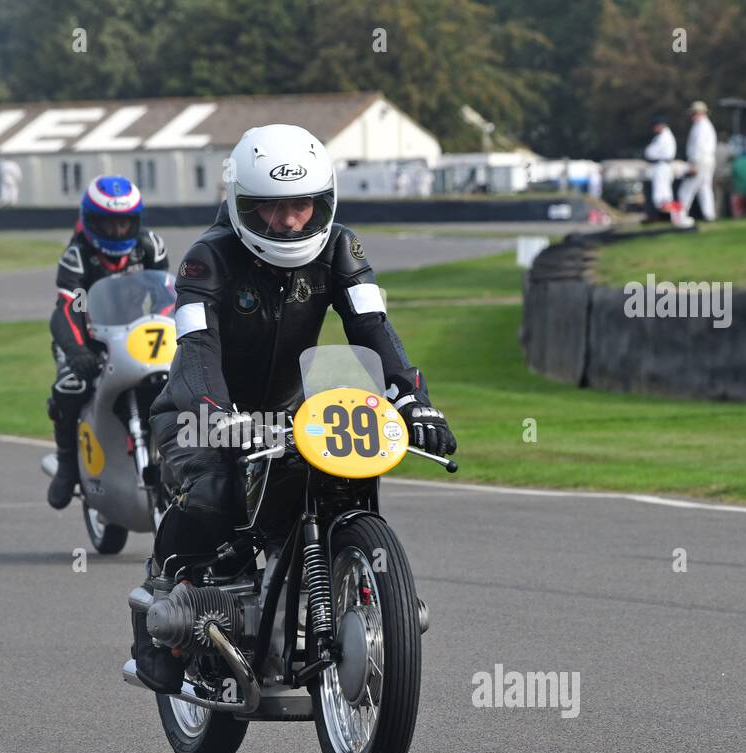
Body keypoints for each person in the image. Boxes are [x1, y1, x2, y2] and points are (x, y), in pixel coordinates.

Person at [130, 125, 456, 693]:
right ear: (241, 206)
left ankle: (355, 587)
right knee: (215, 495)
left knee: (343, 478)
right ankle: (164, 595)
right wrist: (213, 411)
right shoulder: (208, 259)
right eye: (272, 207)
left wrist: (412, 401)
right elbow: (196, 348)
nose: (288, 221)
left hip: (290, 411)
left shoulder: (339, 249)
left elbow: (372, 327)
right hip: (197, 408)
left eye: (302, 205)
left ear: (322, 201)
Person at [45, 175, 169, 509]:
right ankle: (68, 464)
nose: (116, 232)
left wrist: (169, 329)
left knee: (174, 382)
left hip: (135, 333)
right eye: (107, 224)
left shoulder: (150, 247)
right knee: (71, 386)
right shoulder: (77, 257)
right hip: (88, 338)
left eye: (124, 224)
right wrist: (77, 350)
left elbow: (167, 296)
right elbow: (67, 309)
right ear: (89, 220)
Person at [676, 101, 717, 225]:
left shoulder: (701, 126)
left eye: (694, 113)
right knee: (704, 188)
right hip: (707, 161)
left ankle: (680, 216)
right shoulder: (705, 125)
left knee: (686, 189)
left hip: (700, 161)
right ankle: (709, 215)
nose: (692, 116)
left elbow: (698, 147)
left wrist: (693, 164)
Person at [644, 114, 678, 221]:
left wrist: (649, 153)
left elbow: (651, 152)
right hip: (661, 165)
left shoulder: (664, 137)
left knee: (662, 193)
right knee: (663, 192)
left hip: (662, 165)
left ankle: (666, 216)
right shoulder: (662, 136)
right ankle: (667, 216)